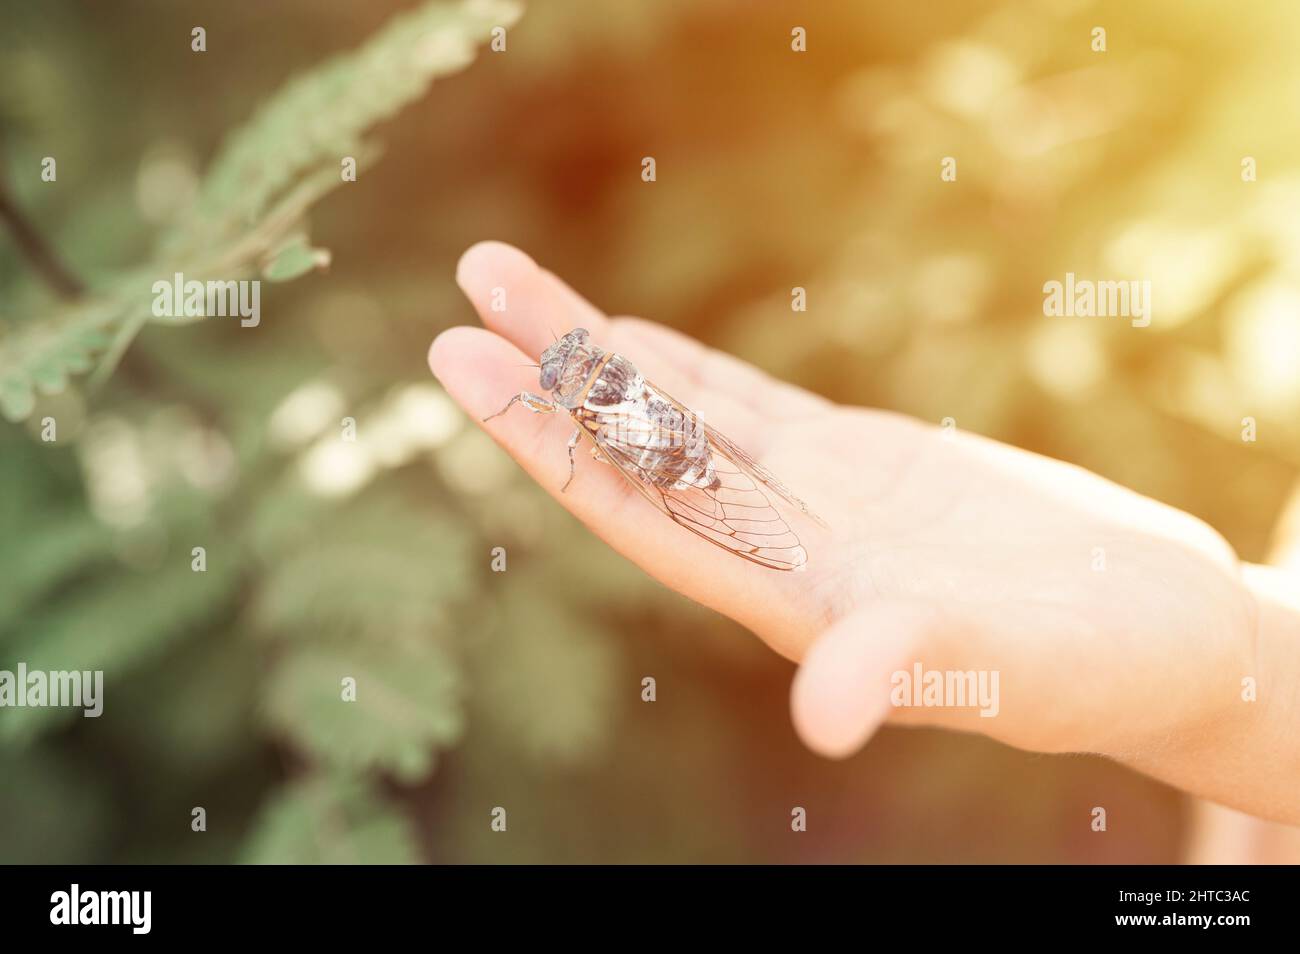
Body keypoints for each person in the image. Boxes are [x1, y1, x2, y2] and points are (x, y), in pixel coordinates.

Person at [429, 241, 1300, 829]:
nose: (569, 368)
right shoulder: (589, 389)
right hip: (662, 441)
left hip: (665, 445)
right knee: (685, 466)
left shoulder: (588, 396)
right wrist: (1244, 667)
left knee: (684, 469)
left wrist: (1241, 672)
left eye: (572, 364)